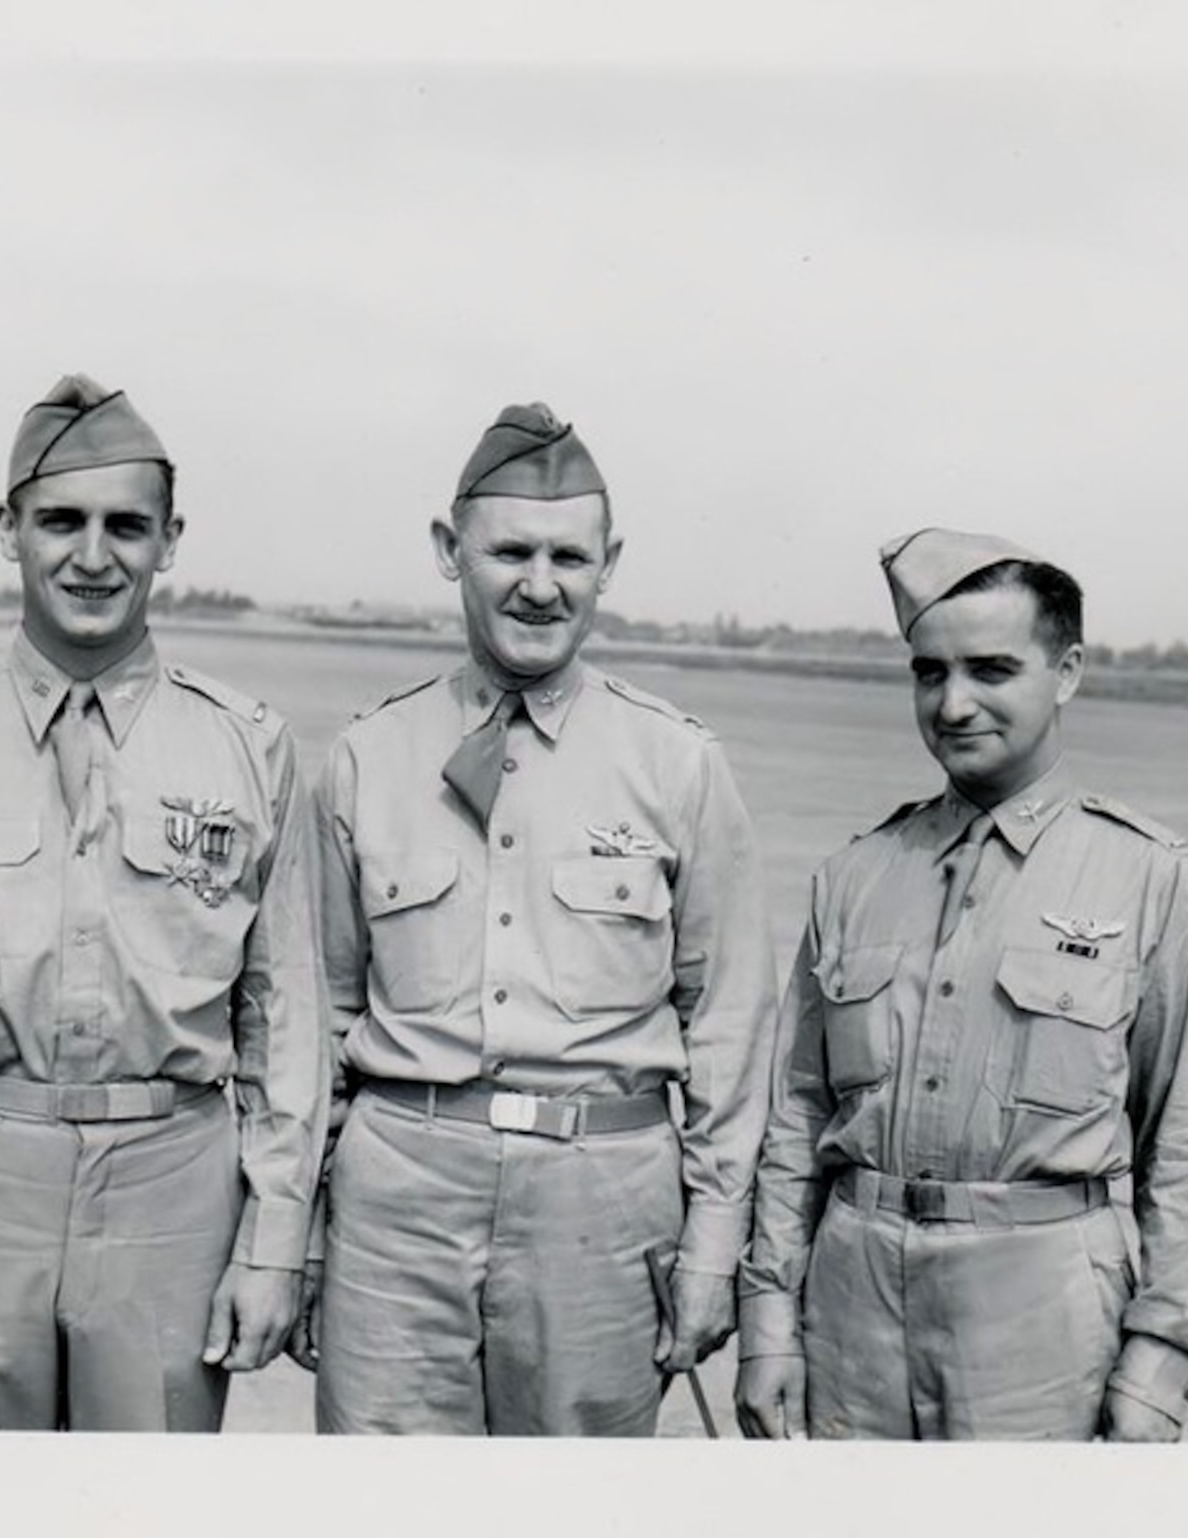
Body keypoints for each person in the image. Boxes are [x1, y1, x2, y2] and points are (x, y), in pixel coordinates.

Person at [0, 374, 326, 1431]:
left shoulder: (248, 743)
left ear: (170, 538)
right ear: (8, 528)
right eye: (60, 522)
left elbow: (287, 1026)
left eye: (127, 525)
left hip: (173, 1185)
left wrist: (273, 1242)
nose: (94, 556)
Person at [293, 402, 776, 1435]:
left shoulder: (677, 764)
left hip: (601, 1203)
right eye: (509, 549)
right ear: (447, 549)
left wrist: (713, 1243)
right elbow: (316, 1020)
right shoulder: (365, 758)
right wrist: (301, 1232)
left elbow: (731, 1029)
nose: (539, 582)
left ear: (608, 564)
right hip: (396, 1197)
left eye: (569, 554)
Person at [735, 527, 1188, 1441]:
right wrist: (769, 1321)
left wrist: (1161, 1364)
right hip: (851, 1315)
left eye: (992, 671)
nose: (954, 704)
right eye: (929, 673)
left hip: (1041, 1327)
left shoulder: (1148, 878)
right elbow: (797, 1124)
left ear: (1068, 670)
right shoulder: (854, 875)